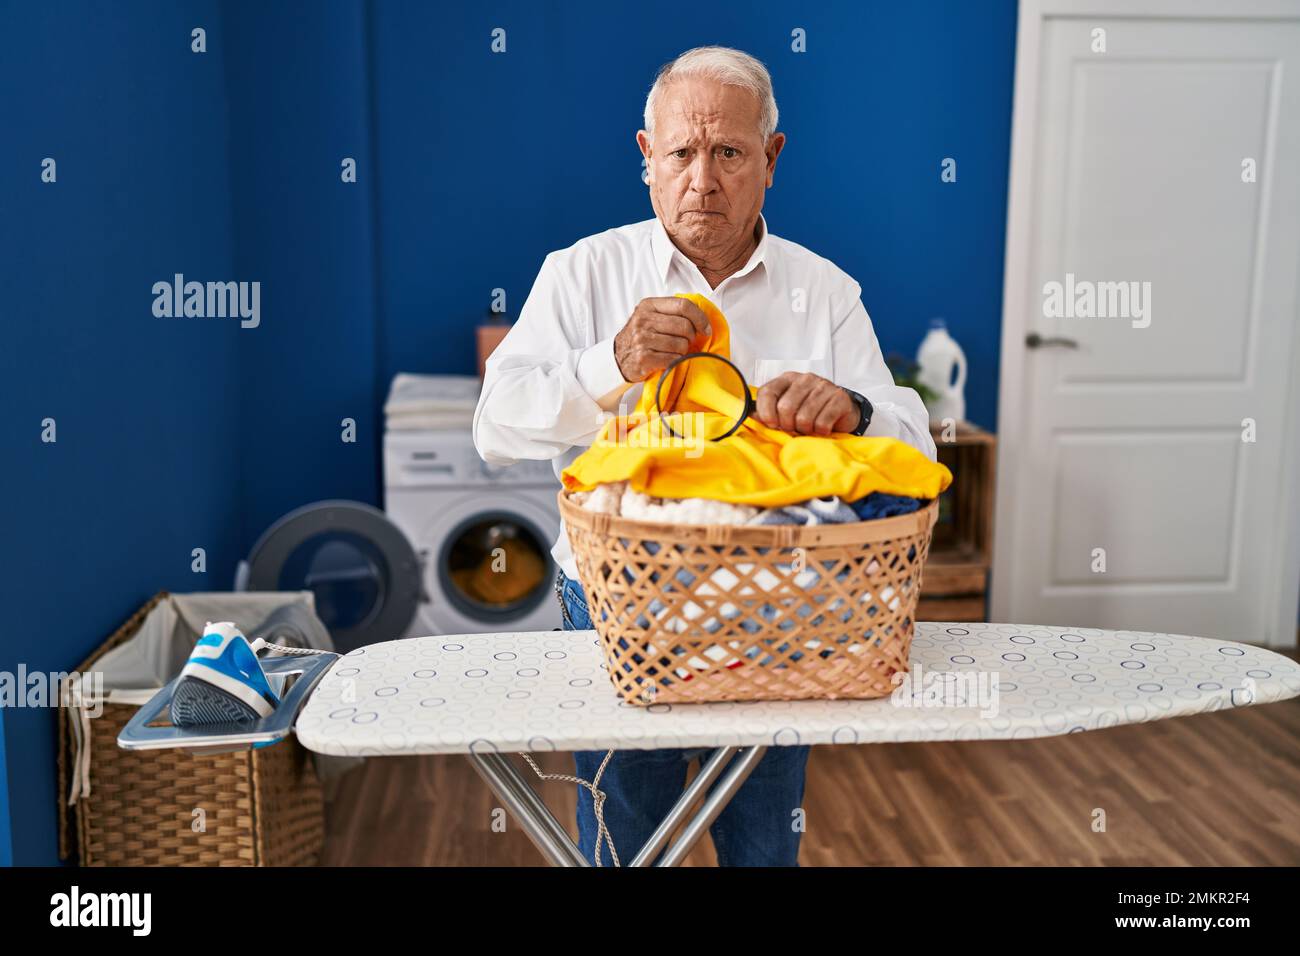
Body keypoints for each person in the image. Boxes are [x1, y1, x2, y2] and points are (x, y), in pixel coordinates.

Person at [473, 46, 934, 866]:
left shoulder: (824, 292)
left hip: (785, 611)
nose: (703, 180)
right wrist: (608, 364)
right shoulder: (581, 274)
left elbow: (913, 440)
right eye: (682, 153)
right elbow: (496, 424)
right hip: (620, 605)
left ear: (772, 159)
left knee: (763, 839)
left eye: (728, 153)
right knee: (626, 834)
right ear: (647, 160)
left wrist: (857, 409)